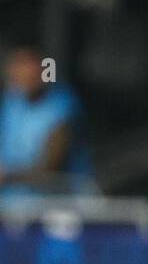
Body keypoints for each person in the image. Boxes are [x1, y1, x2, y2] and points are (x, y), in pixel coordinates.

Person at [0, 45, 93, 198]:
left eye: (29, 66)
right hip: (13, 205)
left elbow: (50, 170)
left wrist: (9, 176)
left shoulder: (62, 105)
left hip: (59, 204)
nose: (23, 73)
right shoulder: (11, 102)